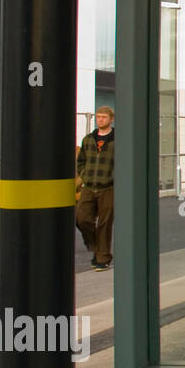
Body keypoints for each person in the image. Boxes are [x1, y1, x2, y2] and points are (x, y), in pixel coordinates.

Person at [76, 106, 116, 271]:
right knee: (81, 218)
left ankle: (102, 258)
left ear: (111, 119)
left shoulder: (117, 140)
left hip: (108, 187)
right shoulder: (88, 140)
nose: (100, 120)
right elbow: (81, 161)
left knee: (105, 224)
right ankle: (95, 247)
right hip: (89, 186)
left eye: (104, 117)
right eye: (98, 117)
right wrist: (85, 175)